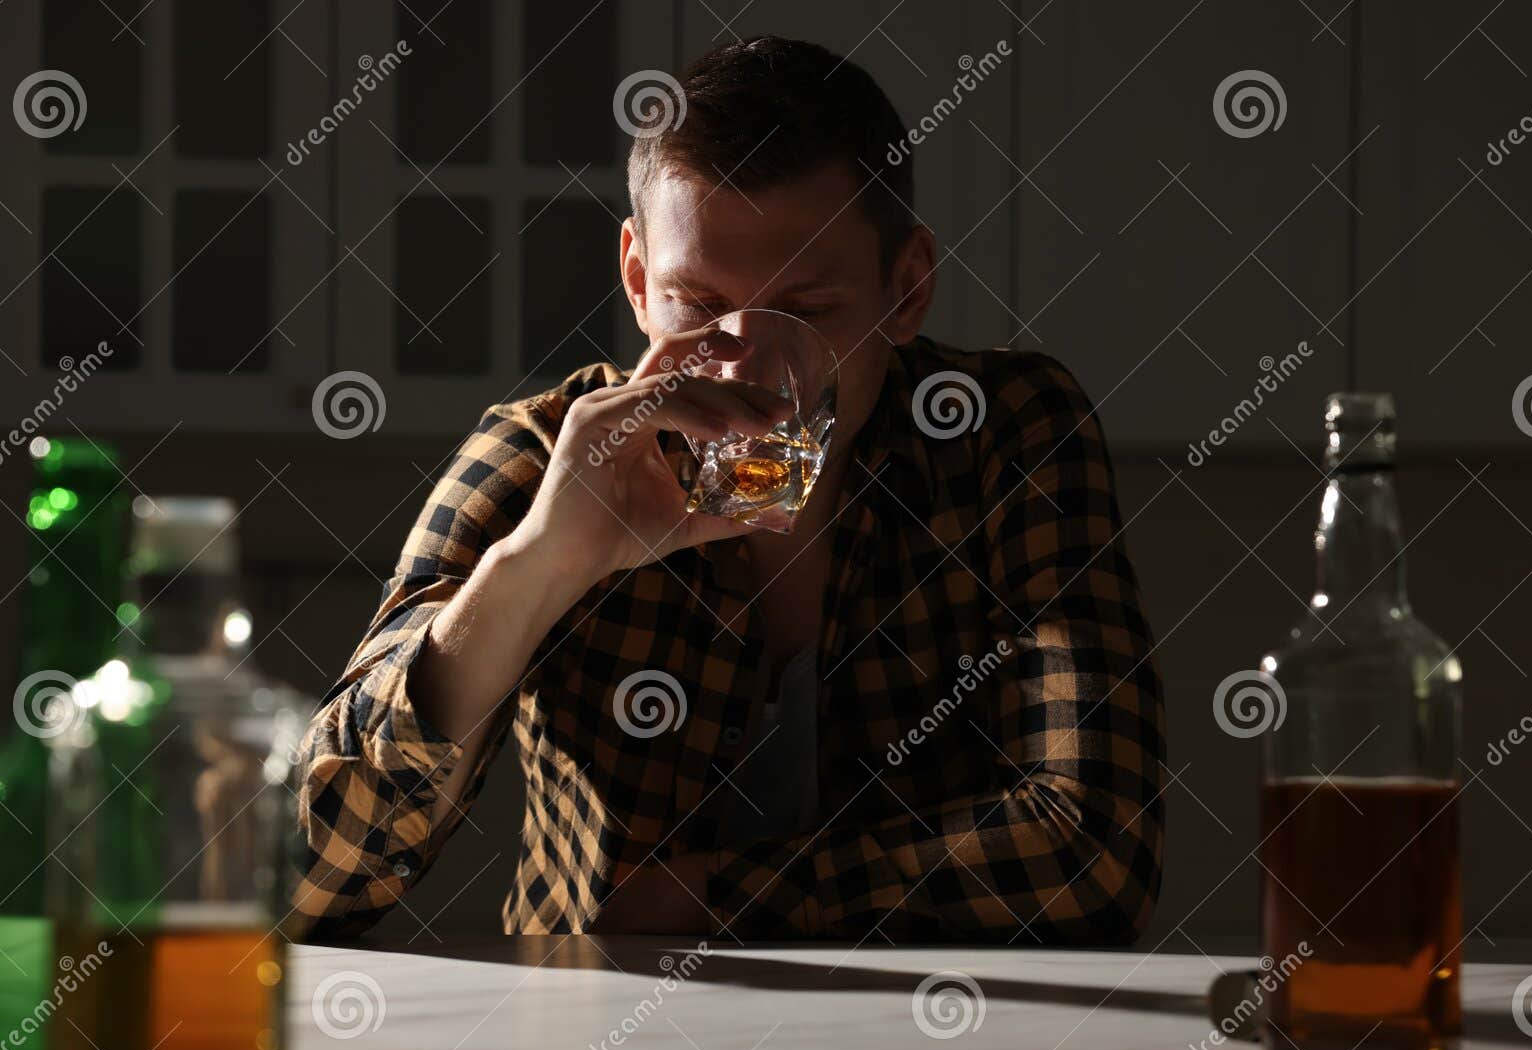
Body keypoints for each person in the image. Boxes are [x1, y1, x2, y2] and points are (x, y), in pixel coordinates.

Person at [289, 36, 1165, 943]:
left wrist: (704, 898)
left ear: (906, 289)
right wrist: (535, 568)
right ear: (637, 280)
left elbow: (1098, 854)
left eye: (807, 311)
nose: (746, 361)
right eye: (698, 308)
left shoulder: (1003, 431)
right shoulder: (547, 454)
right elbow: (307, 884)